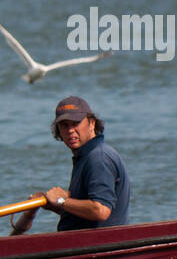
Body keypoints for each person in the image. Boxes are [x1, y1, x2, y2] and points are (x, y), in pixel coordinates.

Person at [22, 96, 131, 232]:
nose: (70, 130)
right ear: (58, 131)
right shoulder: (86, 157)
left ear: (92, 123)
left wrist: (61, 200)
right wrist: (52, 204)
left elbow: (100, 210)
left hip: (96, 245)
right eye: (64, 125)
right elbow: (85, 215)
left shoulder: (98, 158)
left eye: (76, 123)